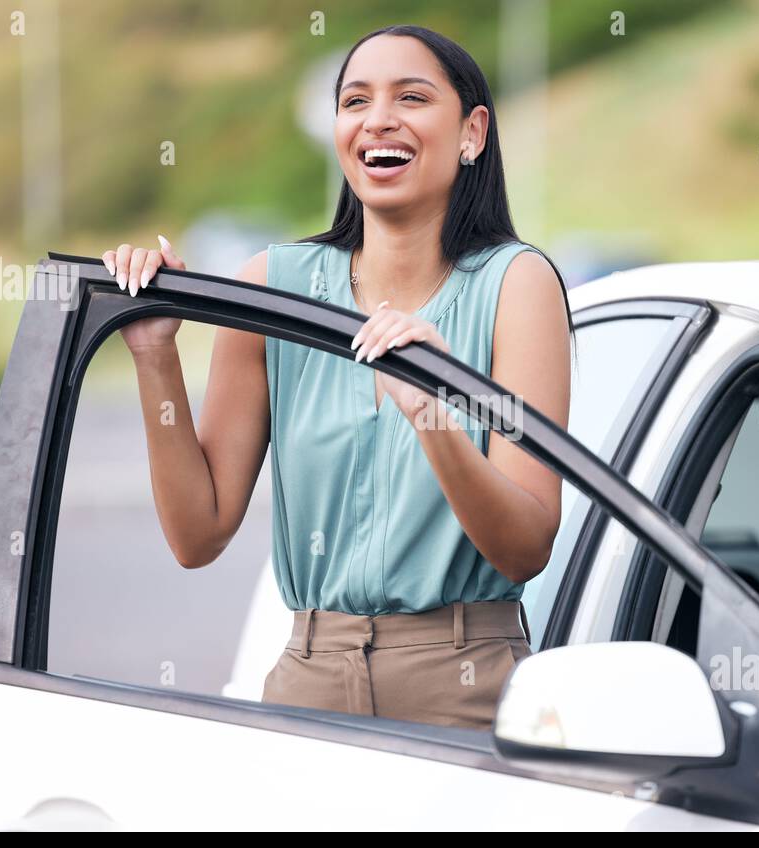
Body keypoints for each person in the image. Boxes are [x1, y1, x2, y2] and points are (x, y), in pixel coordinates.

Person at [103, 24, 572, 731]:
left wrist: (433, 415)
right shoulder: (270, 287)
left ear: (472, 132)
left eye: (411, 97)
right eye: (356, 101)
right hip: (308, 681)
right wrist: (155, 355)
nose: (378, 118)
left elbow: (526, 544)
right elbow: (196, 536)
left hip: (467, 684)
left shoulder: (517, 285)